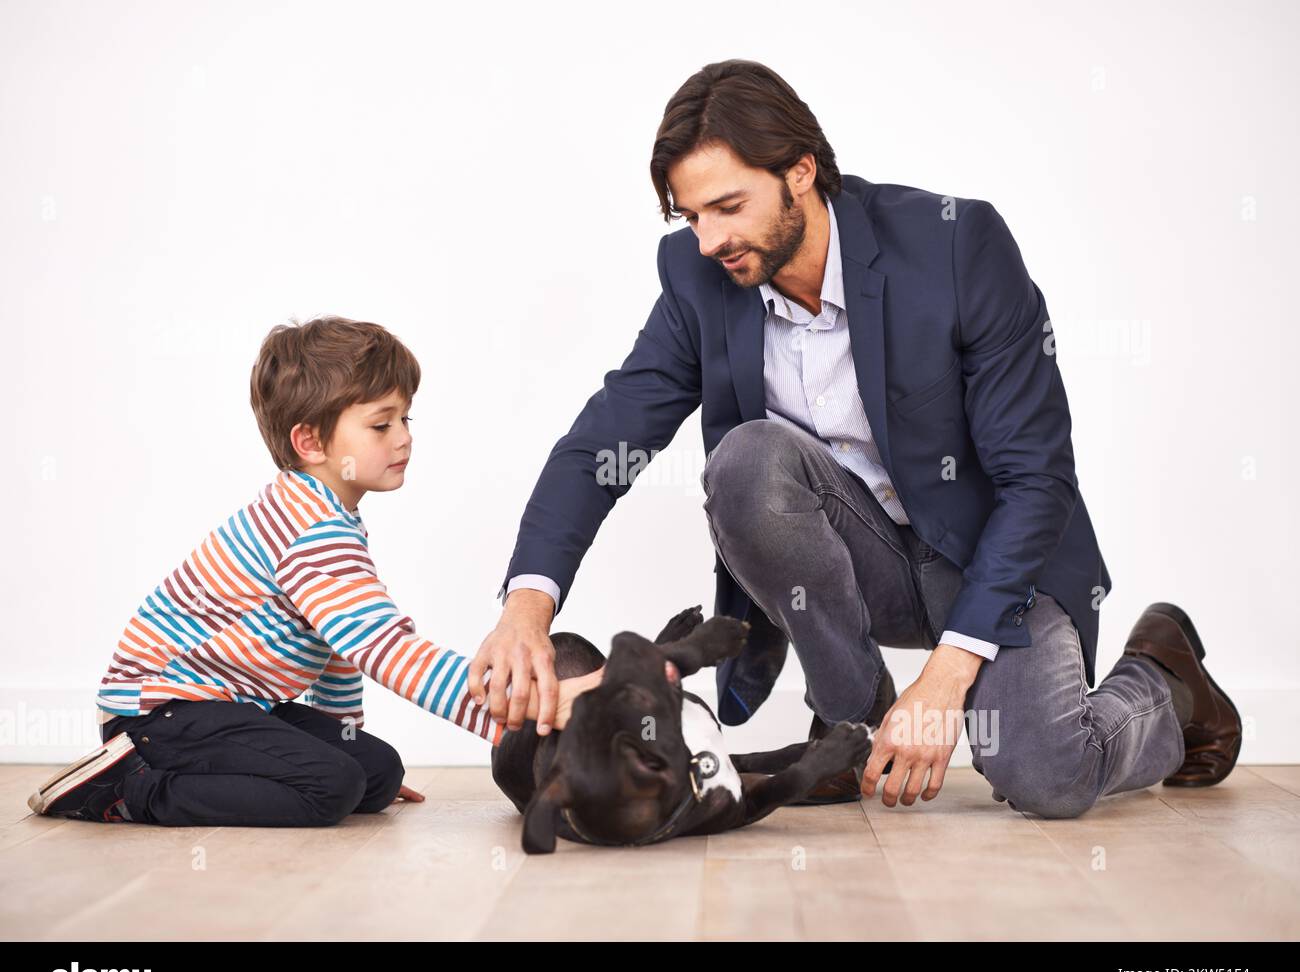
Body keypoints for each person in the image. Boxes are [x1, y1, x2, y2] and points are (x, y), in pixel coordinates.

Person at [471, 59, 1242, 817]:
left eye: (728, 206)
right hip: (859, 559)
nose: (708, 239)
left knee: (1047, 775)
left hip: (994, 565)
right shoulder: (698, 276)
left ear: (800, 170)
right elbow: (603, 442)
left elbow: (1037, 480)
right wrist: (525, 607)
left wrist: (945, 678)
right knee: (748, 462)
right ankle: (852, 722)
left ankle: (1168, 679)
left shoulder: (955, 246)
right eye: (691, 215)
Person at [28, 317, 602, 826]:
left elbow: (339, 651)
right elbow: (383, 649)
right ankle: (124, 790)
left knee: (373, 773)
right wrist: (513, 720)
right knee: (331, 788)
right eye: (381, 425)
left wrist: (342, 741)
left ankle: (318, 770)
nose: (404, 437)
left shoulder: (326, 514)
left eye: (406, 417)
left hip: (230, 706)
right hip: (160, 715)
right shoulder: (310, 530)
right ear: (309, 441)